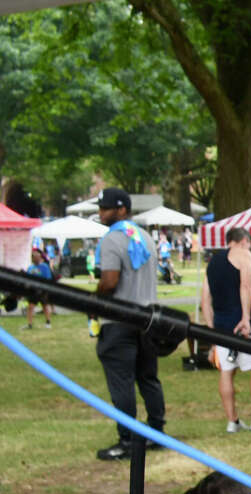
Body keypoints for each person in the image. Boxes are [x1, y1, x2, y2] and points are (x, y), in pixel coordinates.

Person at [92, 188, 166, 460]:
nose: (101, 213)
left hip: (119, 320)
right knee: (148, 377)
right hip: (148, 318)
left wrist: (95, 299)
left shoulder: (113, 239)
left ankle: (126, 440)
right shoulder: (144, 237)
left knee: (121, 381)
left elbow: (110, 281)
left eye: (106, 208)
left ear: (122, 209)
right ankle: (157, 432)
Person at [201, 226, 251, 432]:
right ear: (243, 241)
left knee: (227, 371)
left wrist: (212, 330)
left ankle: (232, 421)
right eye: (249, 244)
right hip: (241, 321)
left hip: (220, 324)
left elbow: (205, 300)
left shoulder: (212, 263)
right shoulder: (243, 254)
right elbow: (246, 286)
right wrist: (246, 318)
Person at [24, 248, 55, 329]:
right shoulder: (30, 267)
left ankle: (48, 322)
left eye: (36, 257)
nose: (35, 259)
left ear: (39, 258)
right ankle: (30, 324)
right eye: (33, 257)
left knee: (45, 306)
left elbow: (48, 278)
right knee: (30, 307)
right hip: (33, 291)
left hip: (42, 290)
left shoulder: (44, 267)